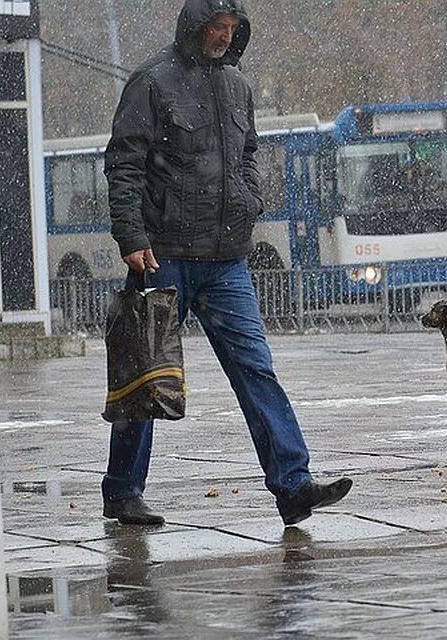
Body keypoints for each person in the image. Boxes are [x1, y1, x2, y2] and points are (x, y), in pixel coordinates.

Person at [102, 0, 352, 526]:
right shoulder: (151, 81)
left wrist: (249, 199)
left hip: (226, 260)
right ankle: (123, 490)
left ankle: (294, 487)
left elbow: (247, 155)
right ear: (196, 26)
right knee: (147, 379)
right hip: (162, 254)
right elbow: (124, 164)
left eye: (231, 28)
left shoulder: (237, 86)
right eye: (217, 26)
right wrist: (131, 235)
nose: (223, 36)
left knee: (255, 369)